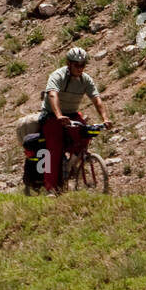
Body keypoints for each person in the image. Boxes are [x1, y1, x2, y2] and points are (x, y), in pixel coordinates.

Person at [39, 47, 110, 192]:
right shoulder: (58, 75)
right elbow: (53, 95)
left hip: (71, 114)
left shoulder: (86, 80)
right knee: (55, 149)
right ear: (68, 63)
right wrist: (58, 115)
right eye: (76, 65)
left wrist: (105, 119)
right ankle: (51, 189)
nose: (80, 68)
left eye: (82, 64)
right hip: (52, 115)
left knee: (86, 135)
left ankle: (71, 165)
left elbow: (97, 99)